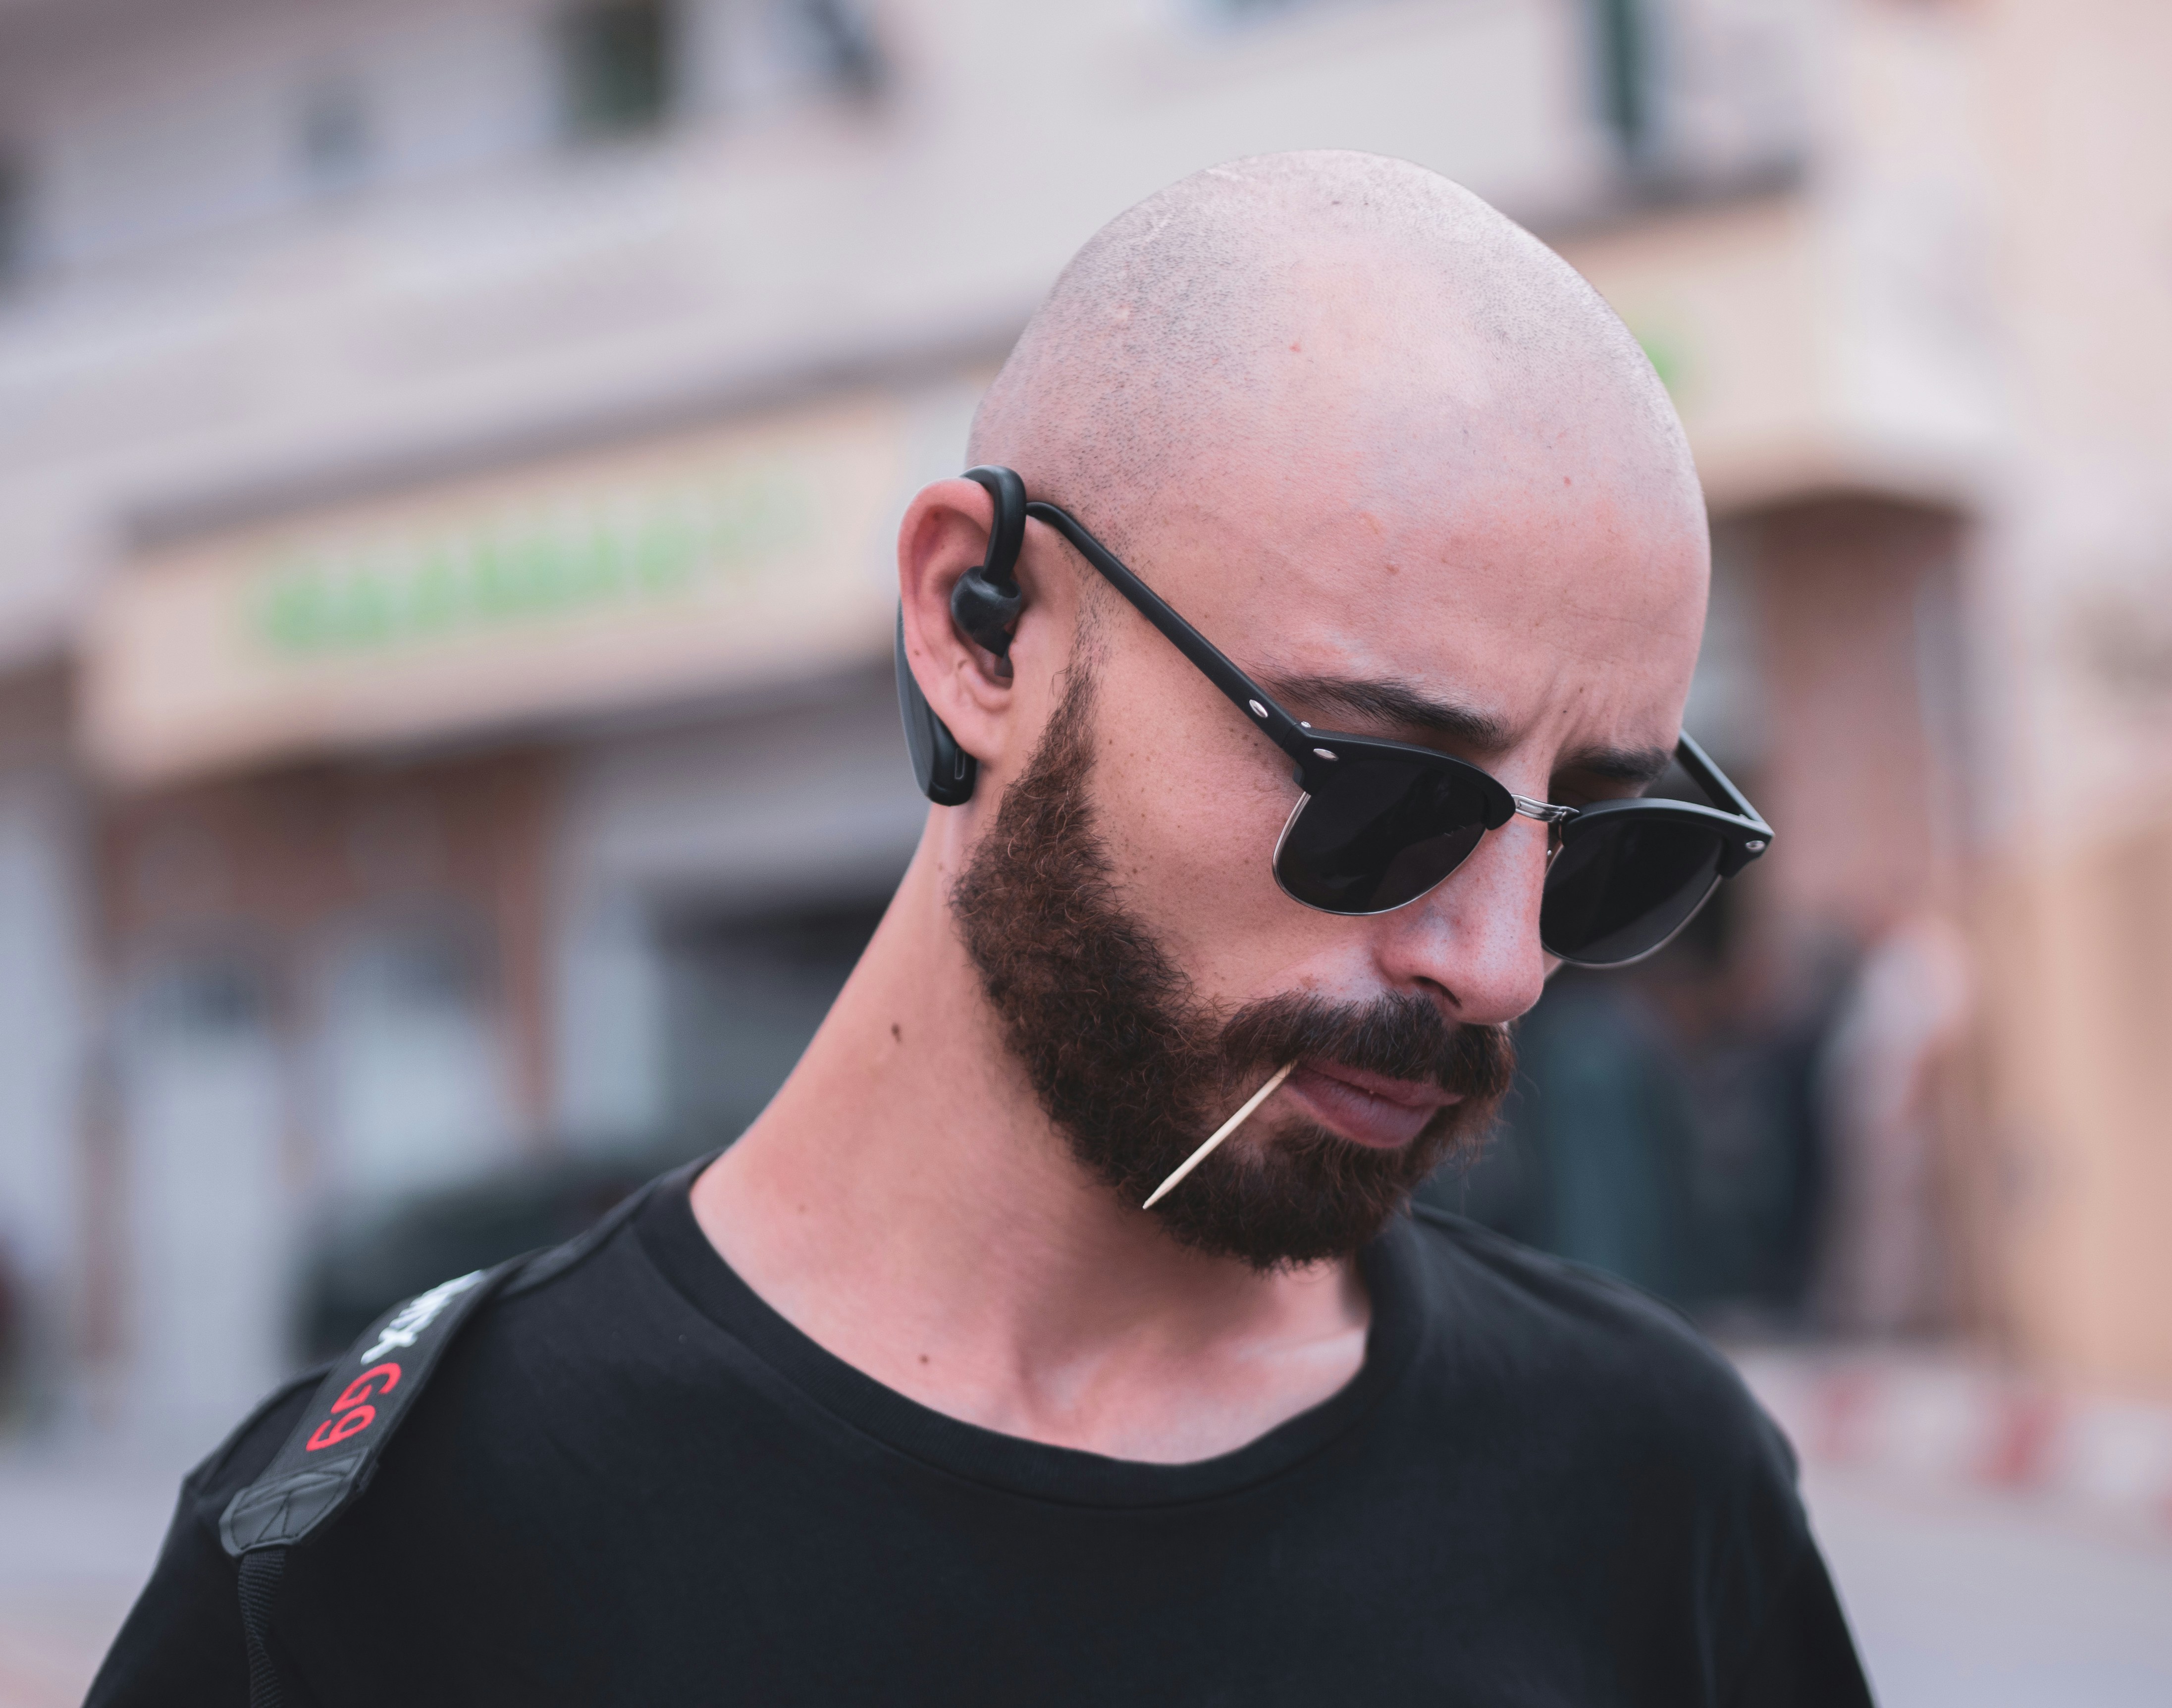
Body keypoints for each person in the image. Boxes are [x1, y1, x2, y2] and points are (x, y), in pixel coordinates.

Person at [92, 152, 1870, 1706]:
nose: (1494, 965)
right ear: (981, 626)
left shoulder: (1650, 1484)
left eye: (1607, 849)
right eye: (1385, 790)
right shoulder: (387, 1557)